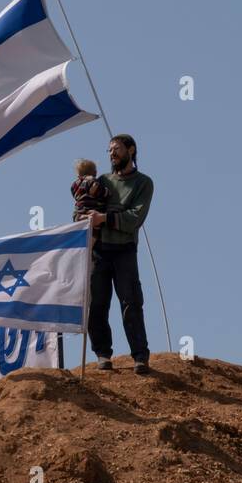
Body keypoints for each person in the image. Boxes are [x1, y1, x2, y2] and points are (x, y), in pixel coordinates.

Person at [86, 134, 153, 374]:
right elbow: (80, 210)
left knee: (131, 303)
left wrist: (105, 218)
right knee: (96, 304)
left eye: (117, 149)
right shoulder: (101, 181)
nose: (112, 153)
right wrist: (87, 213)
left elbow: (135, 218)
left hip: (124, 250)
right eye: (109, 150)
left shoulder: (143, 183)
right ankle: (102, 354)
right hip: (100, 250)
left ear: (131, 150)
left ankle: (140, 357)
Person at [70, 158, 109, 233]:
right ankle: (89, 218)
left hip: (80, 208)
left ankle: (83, 217)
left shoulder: (75, 184)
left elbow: (73, 193)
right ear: (95, 172)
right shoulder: (92, 180)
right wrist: (107, 193)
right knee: (96, 230)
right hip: (91, 206)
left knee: (77, 217)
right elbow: (97, 190)